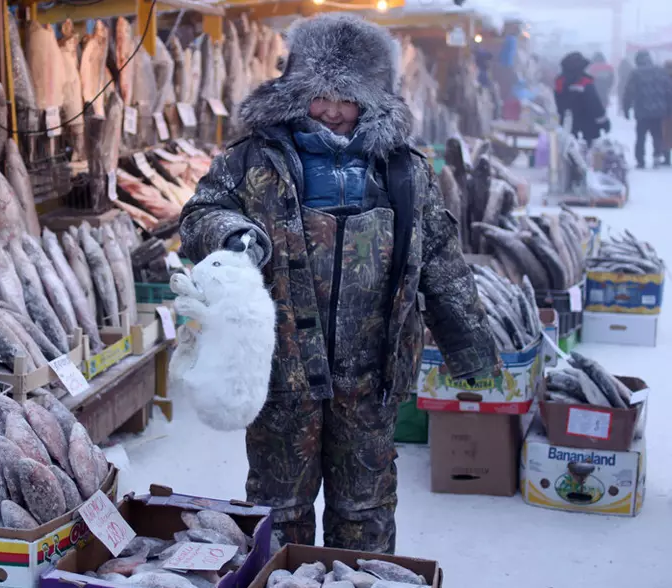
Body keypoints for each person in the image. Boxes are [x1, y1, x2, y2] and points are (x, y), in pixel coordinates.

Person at [179, 14, 499, 554]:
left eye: (346, 98)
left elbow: (441, 256)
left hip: (371, 374)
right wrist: (232, 233)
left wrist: (472, 352)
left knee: (365, 509)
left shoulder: (404, 170)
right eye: (319, 94)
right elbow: (200, 213)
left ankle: (362, 584)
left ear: (373, 98)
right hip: (283, 369)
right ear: (295, 89)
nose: (331, 109)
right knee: (279, 508)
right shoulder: (253, 159)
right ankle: (278, 585)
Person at [622, 50, 672, 168]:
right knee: (657, 134)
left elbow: (629, 92)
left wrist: (626, 108)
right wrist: (669, 107)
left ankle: (641, 160)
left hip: (642, 111)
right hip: (659, 110)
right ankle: (657, 156)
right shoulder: (660, 71)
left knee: (641, 136)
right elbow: (668, 90)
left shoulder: (635, 73)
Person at [554, 52, 610, 143]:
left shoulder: (559, 81)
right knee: (587, 153)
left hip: (568, 126)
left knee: (569, 152)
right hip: (589, 127)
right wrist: (604, 122)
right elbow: (595, 104)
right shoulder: (585, 82)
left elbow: (558, 103)